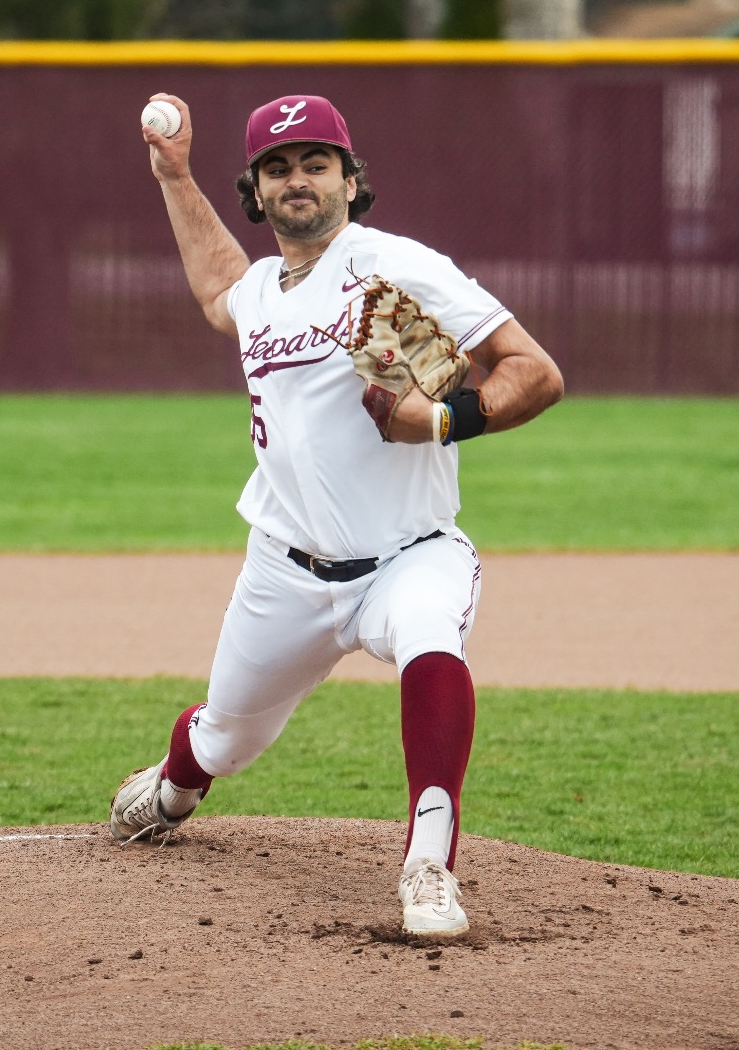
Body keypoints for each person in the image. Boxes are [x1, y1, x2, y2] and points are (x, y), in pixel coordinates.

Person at [110, 92, 564, 936]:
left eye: (317, 162)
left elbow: (534, 370)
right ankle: (174, 787)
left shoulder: (393, 267)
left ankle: (430, 862)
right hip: (286, 569)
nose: (299, 179)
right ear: (255, 190)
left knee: (430, 637)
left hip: (409, 554)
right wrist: (174, 175)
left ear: (350, 180)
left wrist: (440, 417)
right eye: (277, 168)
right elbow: (218, 287)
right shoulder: (259, 289)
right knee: (224, 742)